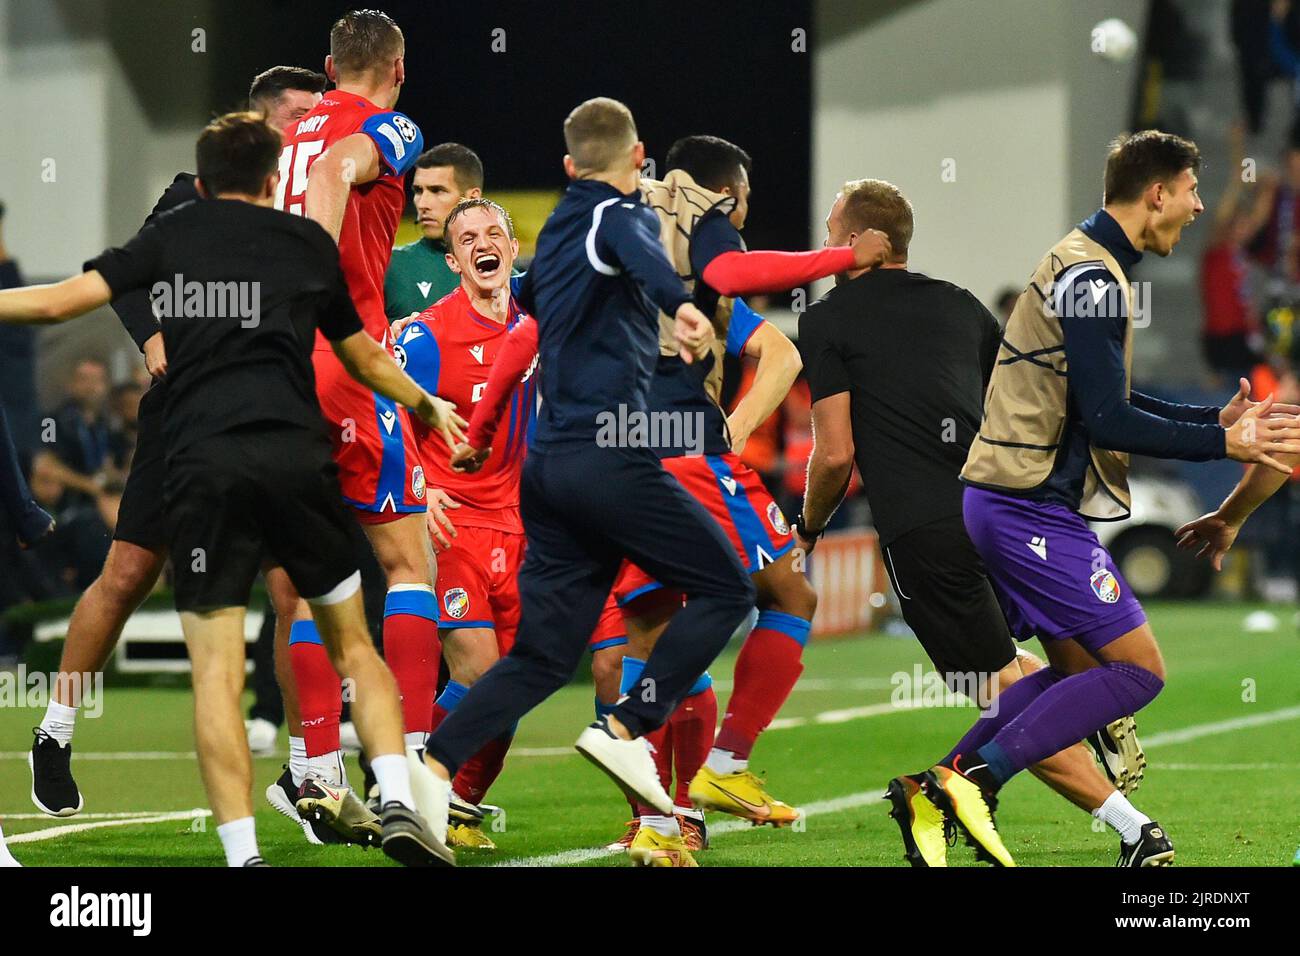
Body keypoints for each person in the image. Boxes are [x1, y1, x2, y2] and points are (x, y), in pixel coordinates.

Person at [0, 111, 467, 867]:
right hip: (290, 453)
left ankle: (246, 853)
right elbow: (363, 358)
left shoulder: (172, 237)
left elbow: (58, 301)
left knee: (216, 673)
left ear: (205, 179)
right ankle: (393, 793)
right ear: (272, 173)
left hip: (202, 460)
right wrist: (424, 404)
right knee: (355, 642)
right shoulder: (309, 244)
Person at [918, 131, 1300, 867]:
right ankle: (972, 780)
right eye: (1190, 189)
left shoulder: (1088, 266)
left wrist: (1208, 420)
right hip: (1021, 505)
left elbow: (1105, 398)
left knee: (1079, 675)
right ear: (1155, 192)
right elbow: (1108, 418)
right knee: (1139, 671)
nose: (1194, 206)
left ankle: (934, 790)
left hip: (1017, 503)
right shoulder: (1092, 279)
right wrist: (1225, 448)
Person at [417, 96, 757, 868]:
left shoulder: (559, 235)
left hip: (547, 474)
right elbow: (645, 259)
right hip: (611, 458)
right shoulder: (621, 216)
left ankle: (429, 770)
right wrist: (684, 308)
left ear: (568, 167)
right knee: (727, 587)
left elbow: (522, 330)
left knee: (541, 656)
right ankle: (628, 727)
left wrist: (480, 426)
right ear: (639, 161)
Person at [798, 177, 1167, 867]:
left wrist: (808, 527)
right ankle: (1056, 725)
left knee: (997, 693)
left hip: (925, 532)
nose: (823, 244)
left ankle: (1131, 829)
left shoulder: (828, 319)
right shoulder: (963, 308)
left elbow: (835, 452)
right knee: (1039, 670)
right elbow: (1025, 408)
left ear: (854, 243)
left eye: (829, 231)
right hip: (1003, 514)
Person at [25, 65, 332, 839]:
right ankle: (54, 732)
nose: (311, 128)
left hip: (273, 417)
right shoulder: (196, 193)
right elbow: (118, 276)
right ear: (262, 122)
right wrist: (155, 334)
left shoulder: (309, 203)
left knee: (295, 589)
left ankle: (308, 773)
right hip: (184, 414)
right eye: (299, 116)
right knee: (128, 573)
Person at [395, 197, 628, 848]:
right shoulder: (428, 334)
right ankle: (411, 784)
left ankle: (461, 805)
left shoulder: (541, 322)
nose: (481, 243)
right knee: (478, 672)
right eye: (466, 238)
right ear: (453, 260)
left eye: (493, 232)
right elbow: (393, 415)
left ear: (512, 248)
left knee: (518, 679)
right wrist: (419, 489)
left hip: (527, 530)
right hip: (454, 522)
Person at [274, 10, 446, 844]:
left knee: (310, 572)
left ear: (328, 62)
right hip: (345, 361)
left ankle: (314, 770)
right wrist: (318, 269)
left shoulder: (285, 131)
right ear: (398, 68)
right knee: (406, 559)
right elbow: (346, 168)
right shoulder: (385, 125)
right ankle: (411, 763)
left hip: (271, 368)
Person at [385, 143, 484, 320]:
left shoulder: (503, 277)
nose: (423, 204)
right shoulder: (388, 267)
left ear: (472, 199)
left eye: (437, 191)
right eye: (418, 191)